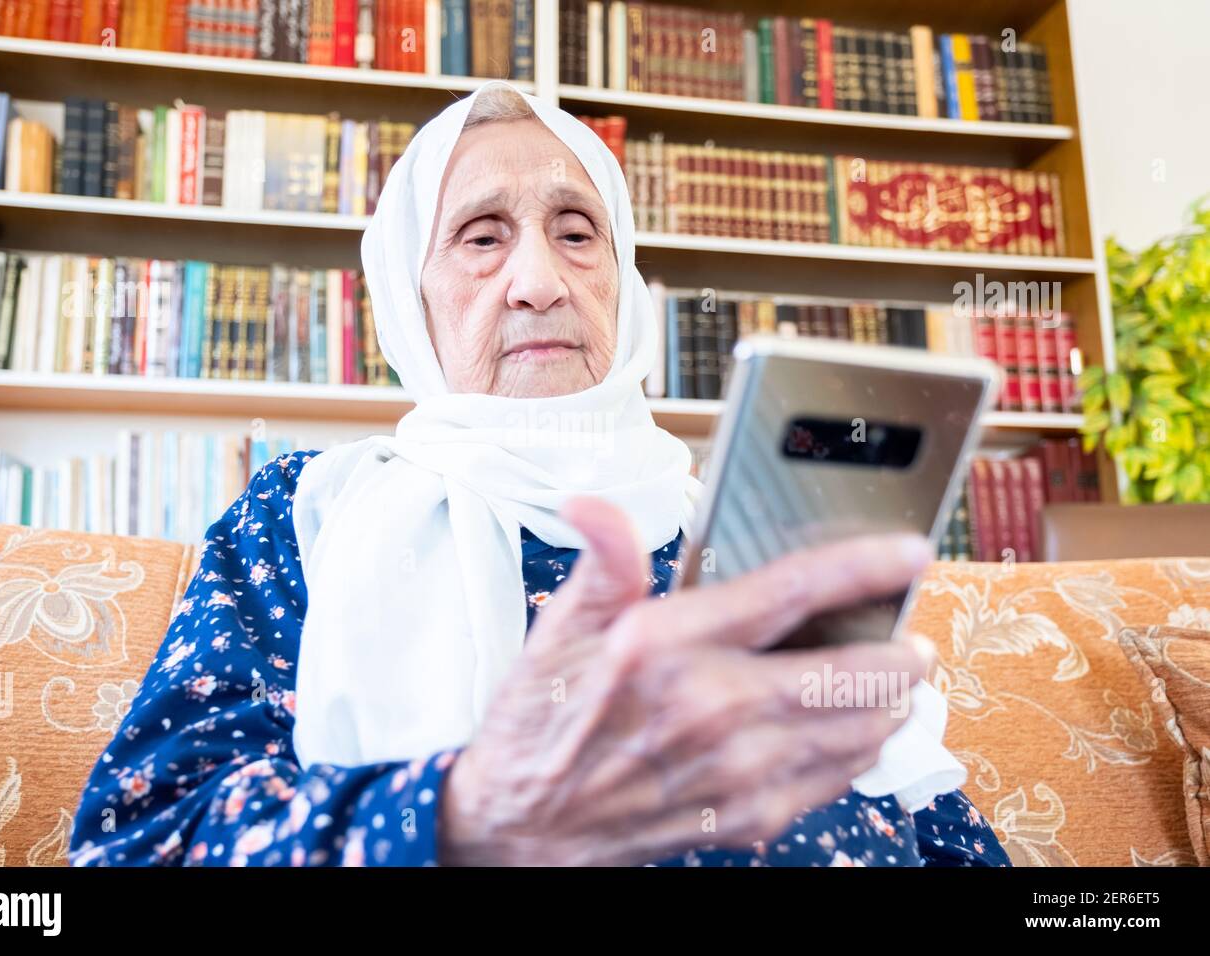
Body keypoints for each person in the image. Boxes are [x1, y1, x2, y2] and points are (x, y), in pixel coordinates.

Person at [69, 80, 1009, 868]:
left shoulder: (740, 535)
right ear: (409, 300)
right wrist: (472, 808)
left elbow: (939, 829)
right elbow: (138, 842)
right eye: (481, 238)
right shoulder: (306, 511)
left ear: (622, 278)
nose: (539, 281)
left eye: (576, 231)